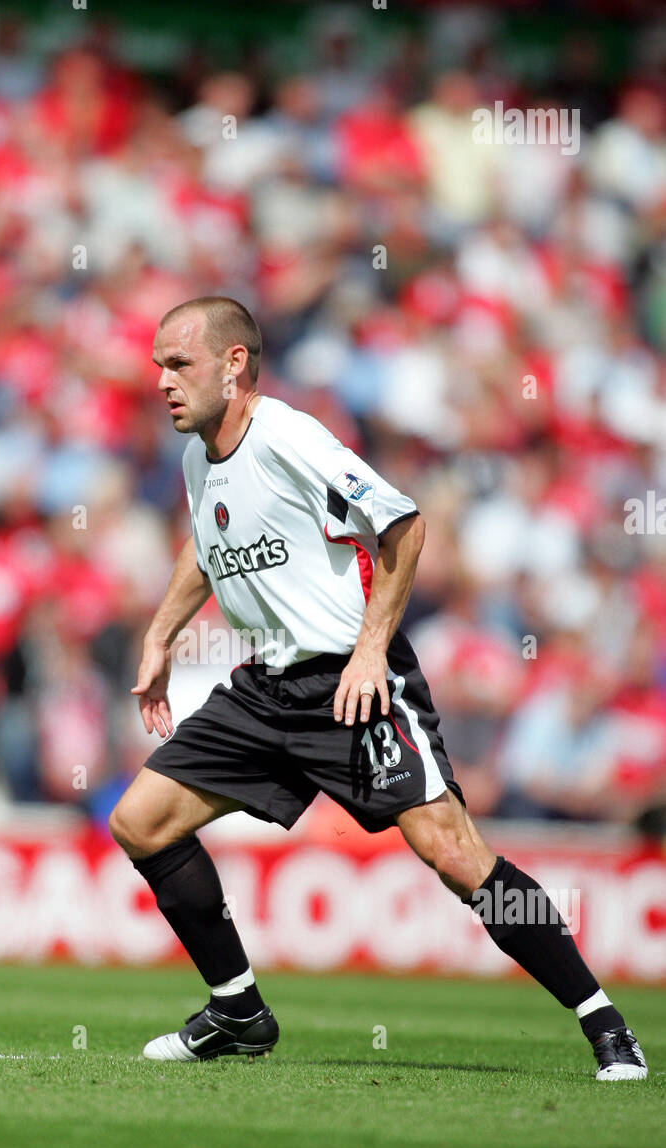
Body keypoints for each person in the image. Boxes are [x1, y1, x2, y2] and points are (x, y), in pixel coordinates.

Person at [109, 297, 647, 1081]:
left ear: (234, 365)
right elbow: (205, 541)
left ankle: (604, 1024)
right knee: (141, 822)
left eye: (178, 363)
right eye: (157, 363)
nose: (161, 380)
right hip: (266, 686)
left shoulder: (288, 436)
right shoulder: (200, 455)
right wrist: (161, 634)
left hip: (349, 682)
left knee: (453, 854)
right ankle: (238, 1012)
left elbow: (401, 525)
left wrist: (368, 654)